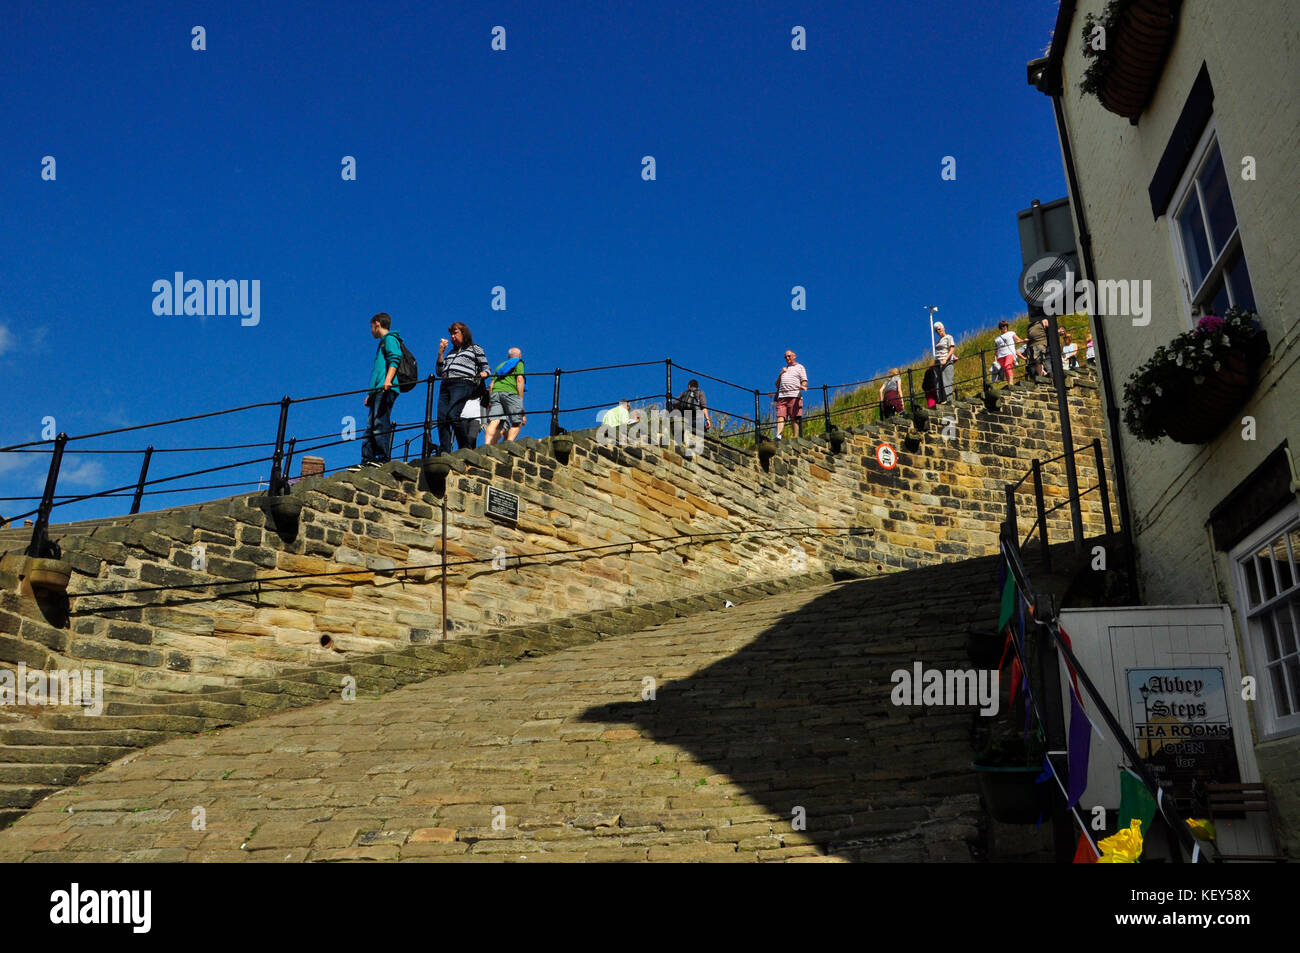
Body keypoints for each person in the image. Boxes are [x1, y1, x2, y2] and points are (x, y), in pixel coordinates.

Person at [358, 312, 403, 468]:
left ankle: (382, 458)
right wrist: (370, 394)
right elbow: (378, 371)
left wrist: (388, 380)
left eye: (371, 326)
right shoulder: (383, 342)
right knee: (371, 425)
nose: (371, 330)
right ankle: (367, 460)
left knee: (380, 422)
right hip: (378, 390)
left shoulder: (390, 339)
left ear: (377, 324)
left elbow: (395, 358)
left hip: (386, 388)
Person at [435, 322, 490, 452]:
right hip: (445, 385)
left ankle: (465, 447)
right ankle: (445, 451)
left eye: (455, 333)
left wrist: (484, 374)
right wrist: (440, 354)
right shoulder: (450, 353)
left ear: (463, 333)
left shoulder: (475, 349)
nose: (452, 337)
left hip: (463, 383)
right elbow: (439, 372)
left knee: (453, 414)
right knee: (442, 419)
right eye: (451, 334)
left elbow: (486, 367)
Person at [484, 347, 526, 444]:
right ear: (519, 356)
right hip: (510, 392)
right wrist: (520, 400)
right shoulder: (519, 363)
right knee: (517, 421)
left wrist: (491, 400)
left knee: (495, 421)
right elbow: (520, 380)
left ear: (508, 357)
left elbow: (491, 386)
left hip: (496, 393)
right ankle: (508, 444)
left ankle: (488, 444)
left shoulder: (500, 366)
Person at [774, 349, 807, 438]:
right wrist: (781, 374)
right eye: (785, 357)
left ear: (794, 356)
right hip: (782, 396)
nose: (787, 358)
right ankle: (778, 436)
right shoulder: (784, 369)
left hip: (794, 395)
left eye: (789, 356)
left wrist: (803, 386)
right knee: (780, 416)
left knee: (794, 416)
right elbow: (777, 384)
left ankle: (796, 437)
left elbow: (804, 380)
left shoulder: (800, 367)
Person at [993, 320, 1025, 386]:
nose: (1004, 327)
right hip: (1000, 356)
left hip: (1009, 354)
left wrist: (1024, 341)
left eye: (1005, 326)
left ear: (1007, 326)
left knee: (1007, 366)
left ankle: (1010, 383)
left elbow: (1018, 340)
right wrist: (995, 359)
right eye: (1002, 326)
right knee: (1005, 369)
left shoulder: (1011, 333)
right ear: (1000, 328)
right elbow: (996, 350)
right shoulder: (997, 339)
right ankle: (1009, 383)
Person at [933, 321, 957, 404]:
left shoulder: (949, 337)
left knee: (947, 380)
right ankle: (941, 399)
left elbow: (952, 349)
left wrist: (946, 359)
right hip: (937, 362)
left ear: (943, 328)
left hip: (945, 361)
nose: (938, 331)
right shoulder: (938, 341)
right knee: (938, 381)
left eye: (939, 329)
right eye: (936, 330)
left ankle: (948, 399)